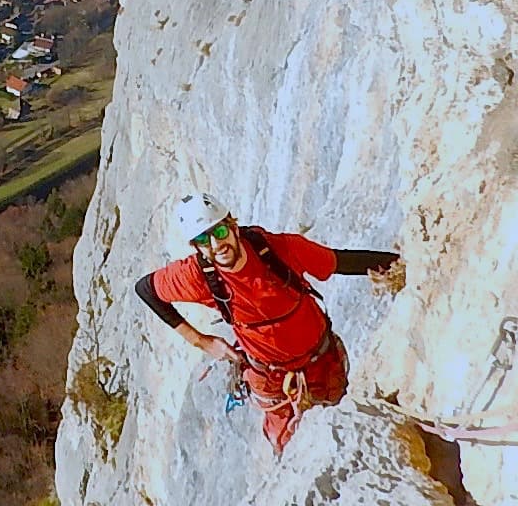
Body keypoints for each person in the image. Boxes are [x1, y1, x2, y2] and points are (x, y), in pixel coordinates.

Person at [135, 193, 400, 452]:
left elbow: (341, 261)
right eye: (204, 239)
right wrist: (201, 341)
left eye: (219, 233)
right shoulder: (197, 276)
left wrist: (406, 264)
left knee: (344, 434)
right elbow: (146, 289)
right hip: (271, 379)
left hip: (322, 361)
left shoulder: (280, 250)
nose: (216, 245)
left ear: (232, 225)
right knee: (292, 446)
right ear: (196, 247)